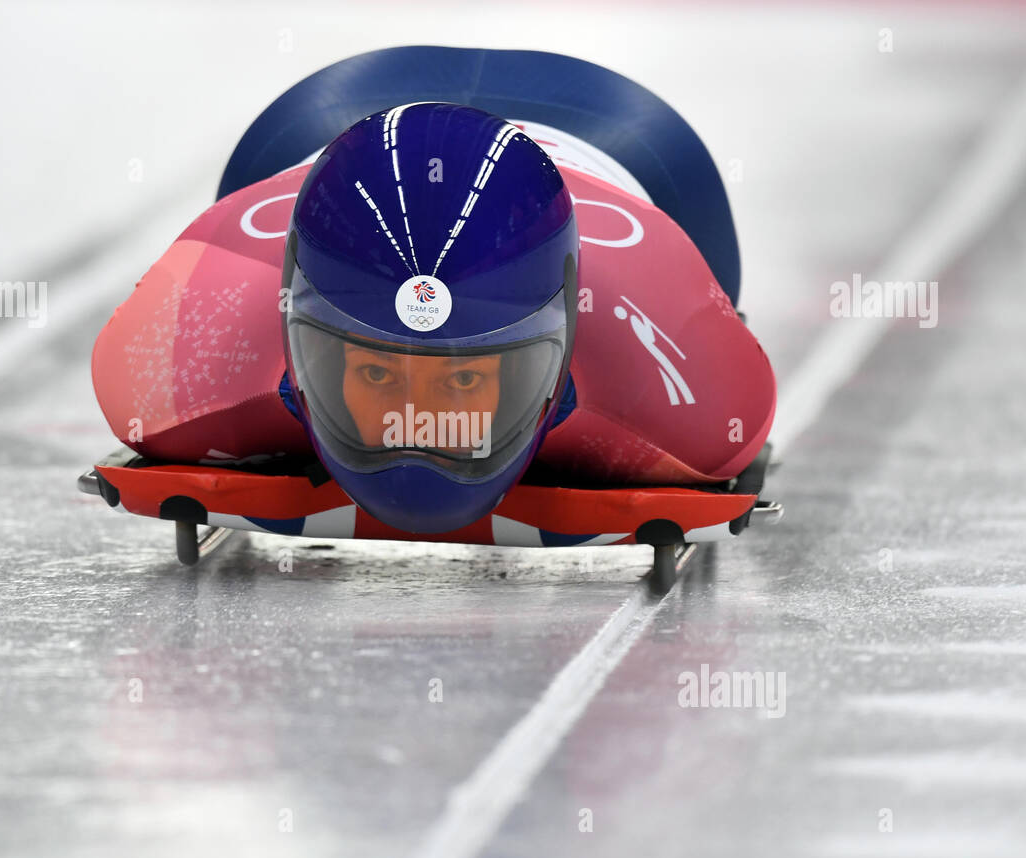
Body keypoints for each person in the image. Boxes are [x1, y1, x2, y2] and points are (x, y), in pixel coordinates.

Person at [92, 48, 775, 537]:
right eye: (379, 369)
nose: (414, 416)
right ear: (298, 348)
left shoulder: (689, 387)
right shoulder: (179, 366)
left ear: (564, 344)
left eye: (462, 375)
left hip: (628, 140)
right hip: (599, 124)